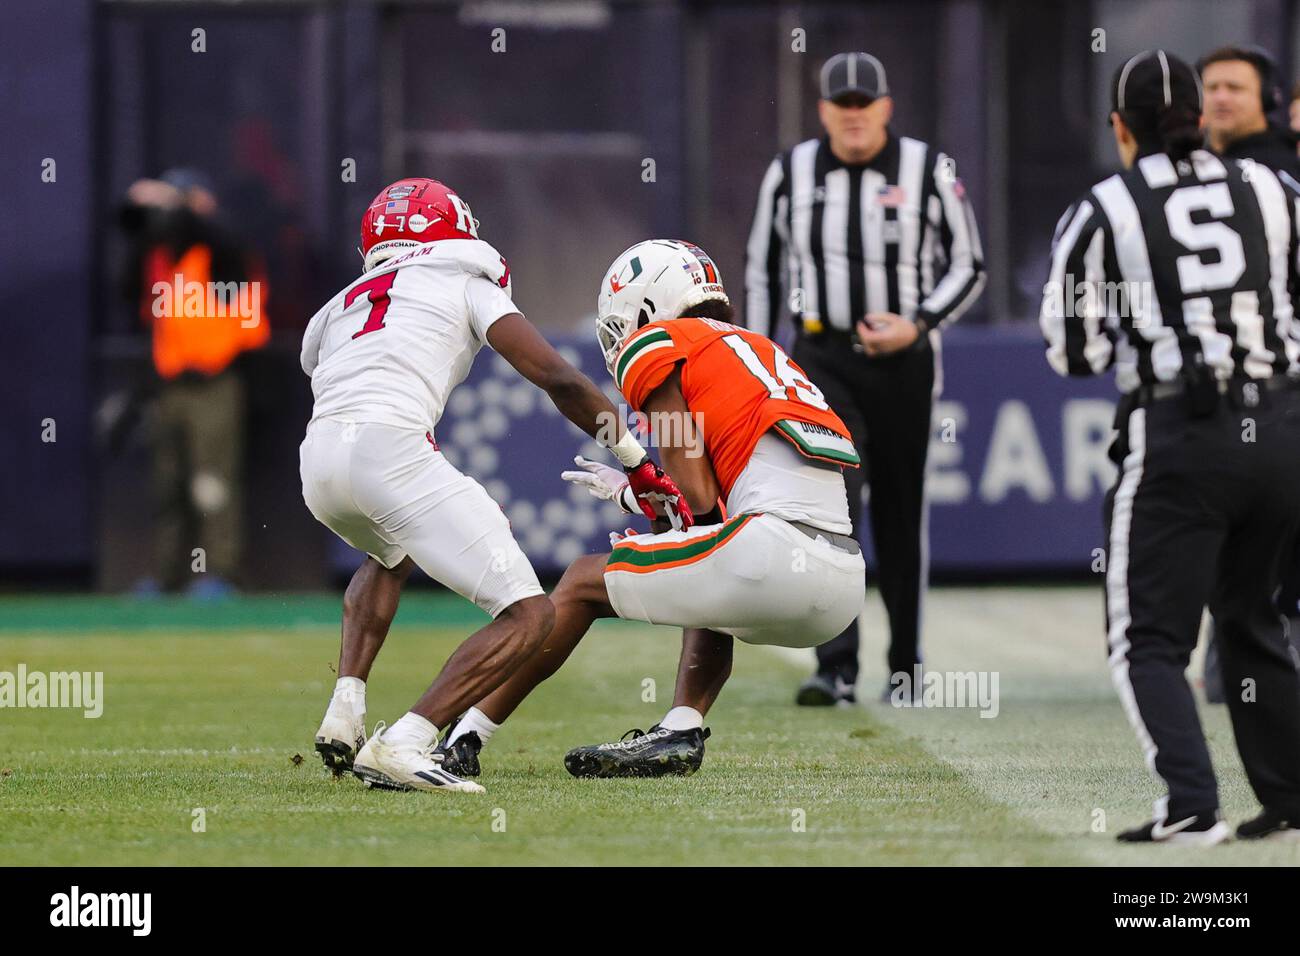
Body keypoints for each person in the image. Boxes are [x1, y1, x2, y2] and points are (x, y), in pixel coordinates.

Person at [300, 179, 690, 794]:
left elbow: (322, 368)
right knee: (531, 615)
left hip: (318, 461)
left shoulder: (341, 303)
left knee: (388, 554)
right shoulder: (462, 278)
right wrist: (636, 458)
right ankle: (406, 740)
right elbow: (555, 376)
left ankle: (345, 707)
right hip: (389, 449)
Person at [437, 239, 866, 779]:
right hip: (843, 583)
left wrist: (648, 500)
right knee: (711, 562)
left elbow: (691, 480)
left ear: (644, 307)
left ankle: (465, 735)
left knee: (580, 581)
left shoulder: (661, 342)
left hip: (770, 556)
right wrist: (659, 504)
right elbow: (718, 503)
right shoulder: (759, 350)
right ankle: (681, 728)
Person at [1040, 50, 1300, 843]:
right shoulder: (1274, 188)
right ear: (1201, 116)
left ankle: (1191, 805)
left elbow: (1073, 352)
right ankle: (1290, 799)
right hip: (1283, 429)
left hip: (1182, 436)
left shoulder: (1105, 206)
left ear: (1122, 128)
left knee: (1149, 637)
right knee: (1254, 618)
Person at [745, 51, 985, 706]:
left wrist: (921, 322)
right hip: (821, 360)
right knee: (833, 510)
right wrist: (766, 366)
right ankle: (836, 667)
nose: (854, 115)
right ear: (824, 110)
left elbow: (970, 263)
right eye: (841, 104)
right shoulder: (790, 172)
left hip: (904, 362)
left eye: (864, 103)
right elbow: (763, 269)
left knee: (903, 515)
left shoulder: (927, 169)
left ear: (885, 107)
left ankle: (905, 667)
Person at [1198, 46, 1300, 702]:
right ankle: (1230, 669)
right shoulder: (1199, 173)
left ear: (1268, 100)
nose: (1221, 98)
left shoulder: (1281, 179)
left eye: (1236, 86)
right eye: (1211, 87)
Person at [119, 169, 270, 597]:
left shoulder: (224, 250)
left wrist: (181, 201)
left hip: (217, 380)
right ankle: (168, 576)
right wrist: (147, 208)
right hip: (171, 384)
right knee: (168, 484)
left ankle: (219, 574)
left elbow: (219, 238)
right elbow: (128, 245)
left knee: (213, 483)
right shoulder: (163, 255)